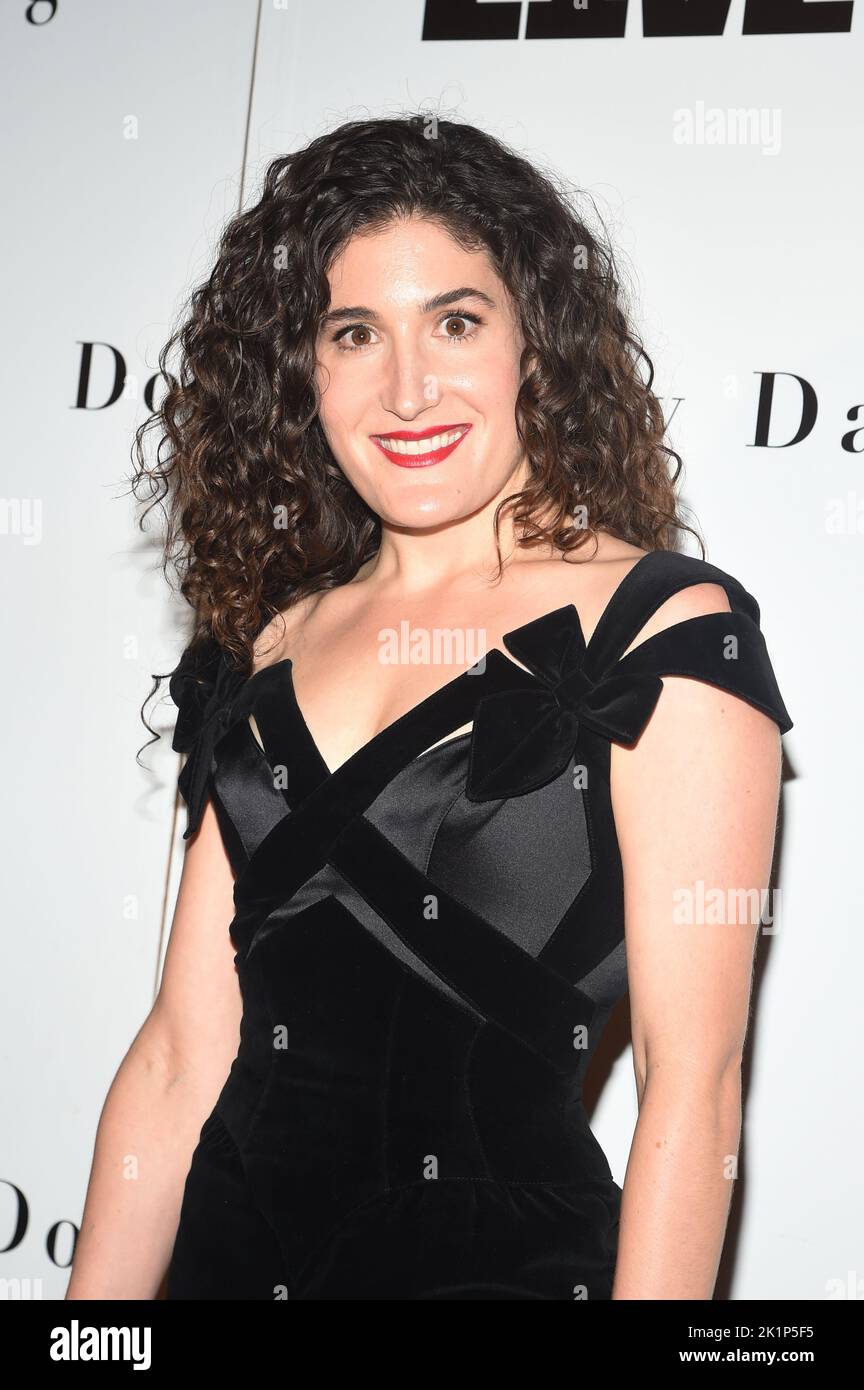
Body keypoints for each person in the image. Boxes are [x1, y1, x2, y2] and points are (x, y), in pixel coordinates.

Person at [66, 115, 792, 1301]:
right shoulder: (276, 638)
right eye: (355, 334)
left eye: (456, 321)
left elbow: (691, 1078)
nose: (409, 388)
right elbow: (179, 1057)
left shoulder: (657, 627)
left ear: (535, 347)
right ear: (306, 372)